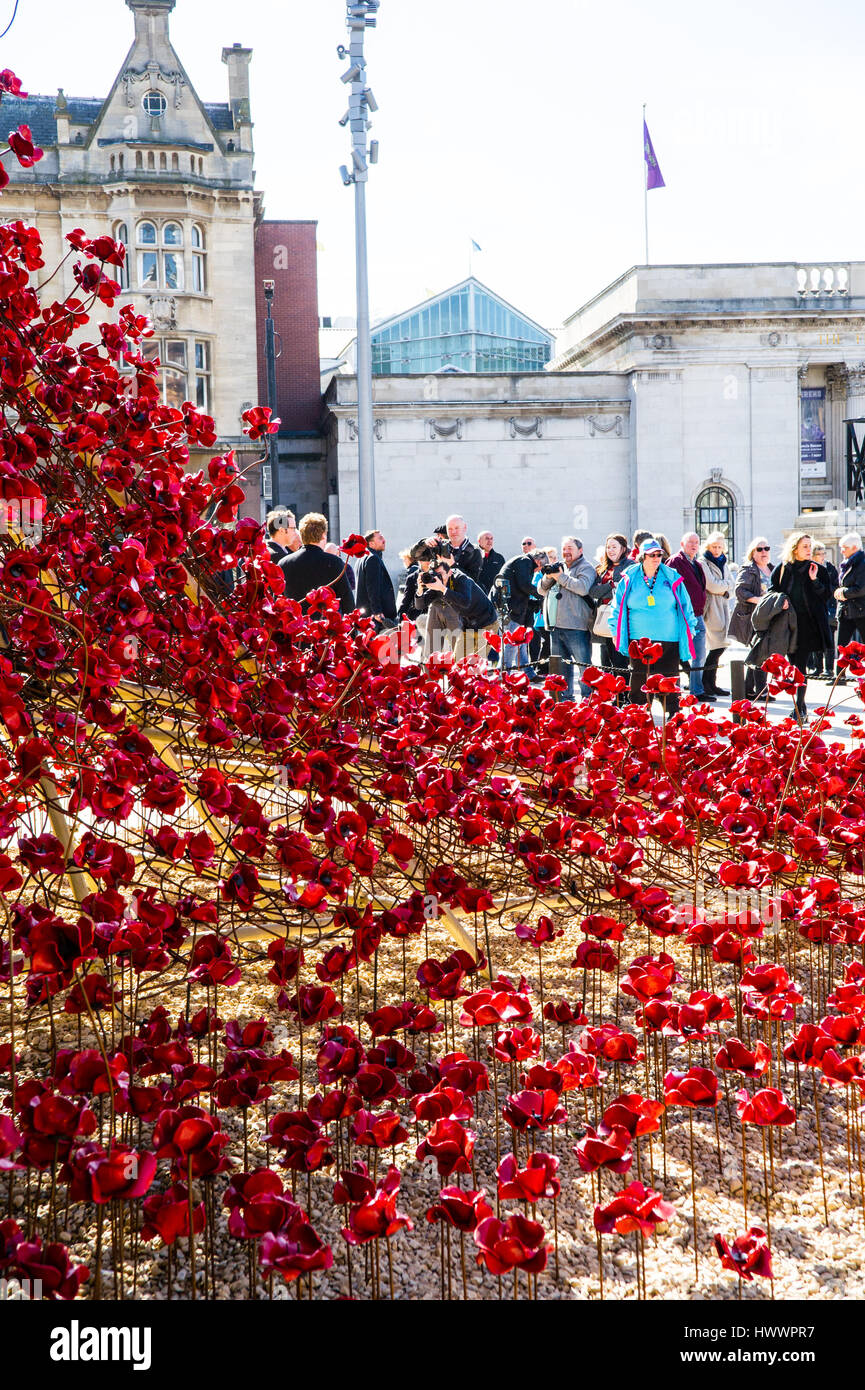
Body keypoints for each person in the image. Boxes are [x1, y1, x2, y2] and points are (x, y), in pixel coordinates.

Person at [609, 537, 697, 717]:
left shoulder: (671, 576)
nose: (657, 558)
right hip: (639, 641)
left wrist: (691, 629)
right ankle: (638, 717)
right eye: (652, 555)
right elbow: (617, 607)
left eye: (659, 554)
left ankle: (674, 718)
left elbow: (686, 606)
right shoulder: (629, 578)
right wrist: (614, 631)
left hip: (668, 639)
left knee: (669, 682)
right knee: (639, 682)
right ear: (643, 556)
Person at [770, 532, 831, 722]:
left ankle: (800, 707)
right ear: (794, 548)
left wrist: (814, 580)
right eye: (804, 546)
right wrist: (781, 601)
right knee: (792, 664)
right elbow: (772, 591)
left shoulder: (818, 569)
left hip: (808, 625)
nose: (808, 550)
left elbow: (826, 595)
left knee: (800, 666)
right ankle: (799, 706)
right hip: (787, 624)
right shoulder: (782, 569)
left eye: (809, 546)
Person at [416, 544, 498, 663]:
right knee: (459, 663)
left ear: (449, 573)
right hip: (468, 626)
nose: (438, 578)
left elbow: (465, 602)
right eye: (436, 575)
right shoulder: (439, 584)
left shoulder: (461, 579)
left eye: (441, 574)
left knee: (476, 665)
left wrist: (443, 589)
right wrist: (419, 590)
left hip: (486, 623)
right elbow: (420, 605)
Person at [539, 537, 597, 700]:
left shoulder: (586, 567)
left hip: (577, 627)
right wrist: (550, 576)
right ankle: (564, 702)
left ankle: (588, 701)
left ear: (580, 550)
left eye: (570, 548)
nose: (566, 552)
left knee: (584, 668)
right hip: (555, 626)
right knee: (561, 669)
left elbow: (583, 588)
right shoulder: (560, 567)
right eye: (564, 549)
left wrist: (560, 577)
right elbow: (541, 590)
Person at [279, 512, 355, 614]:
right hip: (325, 626)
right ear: (323, 535)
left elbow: (279, 602)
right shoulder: (334, 562)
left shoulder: (284, 564)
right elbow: (348, 603)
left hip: (295, 627)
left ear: (301, 535)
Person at [728, 537, 774, 699]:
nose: (764, 552)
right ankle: (761, 691)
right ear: (752, 553)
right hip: (755, 617)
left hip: (772, 617)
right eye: (759, 549)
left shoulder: (773, 569)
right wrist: (760, 600)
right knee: (761, 652)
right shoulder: (748, 569)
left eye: (766, 548)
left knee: (759, 652)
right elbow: (740, 591)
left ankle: (747, 688)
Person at [668, 532, 710, 700]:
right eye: (690, 542)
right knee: (676, 654)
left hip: (697, 615)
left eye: (696, 542)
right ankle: (673, 691)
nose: (694, 545)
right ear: (682, 543)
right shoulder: (675, 561)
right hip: (680, 616)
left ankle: (697, 691)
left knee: (699, 655)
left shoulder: (696, 563)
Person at [497, 546, 547, 677]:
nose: (538, 571)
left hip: (512, 605)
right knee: (512, 643)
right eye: (540, 568)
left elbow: (519, 586)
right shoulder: (525, 561)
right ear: (538, 562)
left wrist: (532, 602)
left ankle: (528, 673)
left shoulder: (521, 561)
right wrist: (541, 595)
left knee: (521, 642)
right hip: (510, 608)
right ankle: (502, 676)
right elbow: (524, 585)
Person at [589, 533, 632, 679]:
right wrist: (612, 585)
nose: (610, 550)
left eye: (614, 547)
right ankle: (616, 696)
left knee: (622, 662)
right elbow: (593, 591)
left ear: (623, 549)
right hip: (605, 619)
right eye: (608, 547)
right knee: (610, 661)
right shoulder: (602, 568)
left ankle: (625, 696)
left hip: (624, 619)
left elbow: (627, 592)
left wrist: (605, 590)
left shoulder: (631, 566)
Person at [700, 532, 733, 698]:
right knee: (715, 646)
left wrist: (725, 589)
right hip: (711, 607)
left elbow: (732, 585)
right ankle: (706, 683)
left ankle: (711, 683)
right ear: (708, 546)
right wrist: (724, 588)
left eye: (720, 546)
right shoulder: (703, 562)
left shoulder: (724, 563)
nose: (717, 549)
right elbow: (711, 585)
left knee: (720, 646)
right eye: (714, 546)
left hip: (723, 606)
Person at [835, 532, 865, 682]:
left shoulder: (862, 562)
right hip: (846, 610)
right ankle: (838, 676)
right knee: (841, 644)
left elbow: (861, 588)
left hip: (861, 610)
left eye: (844, 547)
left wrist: (843, 592)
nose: (842, 550)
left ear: (854, 547)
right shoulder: (848, 562)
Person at [809, 542, 839, 679]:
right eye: (818, 554)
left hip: (829, 608)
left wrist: (822, 588)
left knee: (829, 638)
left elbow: (834, 588)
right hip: (815, 608)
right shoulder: (810, 568)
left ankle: (829, 669)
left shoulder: (830, 568)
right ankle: (818, 667)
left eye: (823, 553)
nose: (822, 557)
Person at [355, 529, 397, 628]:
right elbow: (372, 588)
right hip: (376, 619)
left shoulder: (361, 559)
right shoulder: (372, 558)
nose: (384, 540)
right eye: (380, 538)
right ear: (371, 544)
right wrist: (377, 611)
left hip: (367, 616)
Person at [445, 515, 483, 582]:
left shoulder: (474, 551)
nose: (453, 532)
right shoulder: (441, 547)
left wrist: (453, 565)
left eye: (456, 528)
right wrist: (426, 542)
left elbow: (472, 581)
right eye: (450, 529)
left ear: (464, 527)